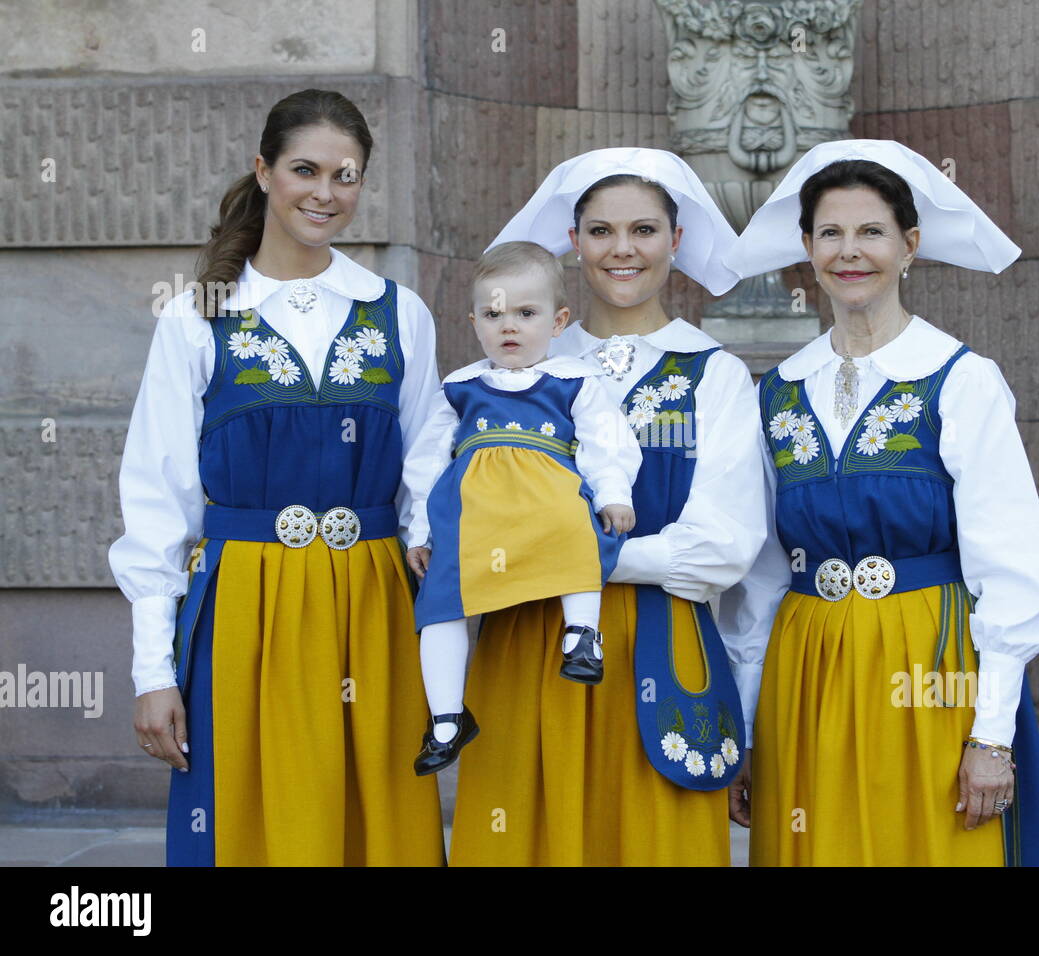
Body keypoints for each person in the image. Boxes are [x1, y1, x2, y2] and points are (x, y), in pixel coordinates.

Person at [109, 89, 446, 866]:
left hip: (373, 605)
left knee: (380, 824)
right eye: (305, 170)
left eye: (347, 175)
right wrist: (153, 671)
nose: (325, 193)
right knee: (259, 823)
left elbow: (428, 461)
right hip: (245, 607)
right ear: (263, 171)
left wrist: (430, 564)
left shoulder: (400, 313)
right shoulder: (198, 317)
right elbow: (158, 503)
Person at [718, 139, 1039, 866]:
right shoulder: (777, 392)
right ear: (806, 248)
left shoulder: (961, 380)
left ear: (909, 245)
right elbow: (758, 580)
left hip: (930, 669)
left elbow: (1013, 569)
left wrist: (992, 736)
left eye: (871, 232)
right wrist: (747, 727)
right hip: (805, 670)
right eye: (831, 233)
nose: (851, 251)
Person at [448, 148, 766, 866]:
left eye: (645, 230)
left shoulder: (711, 372)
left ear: (676, 241)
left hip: (657, 639)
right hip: (527, 638)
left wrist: (564, 555)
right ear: (573, 239)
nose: (622, 249)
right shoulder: (509, 365)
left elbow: (724, 544)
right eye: (600, 231)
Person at [403, 241, 641, 775]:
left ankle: (582, 636)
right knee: (441, 596)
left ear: (558, 321)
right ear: (474, 322)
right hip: (471, 513)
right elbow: (426, 464)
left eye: (525, 313)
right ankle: (446, 715)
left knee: (574, 526)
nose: (508, 326)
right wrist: (420, 529)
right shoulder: (461, 387)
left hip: (546, 500)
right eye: (493, 314)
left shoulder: (572, 381)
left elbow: (607, 441)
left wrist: (614, 494)